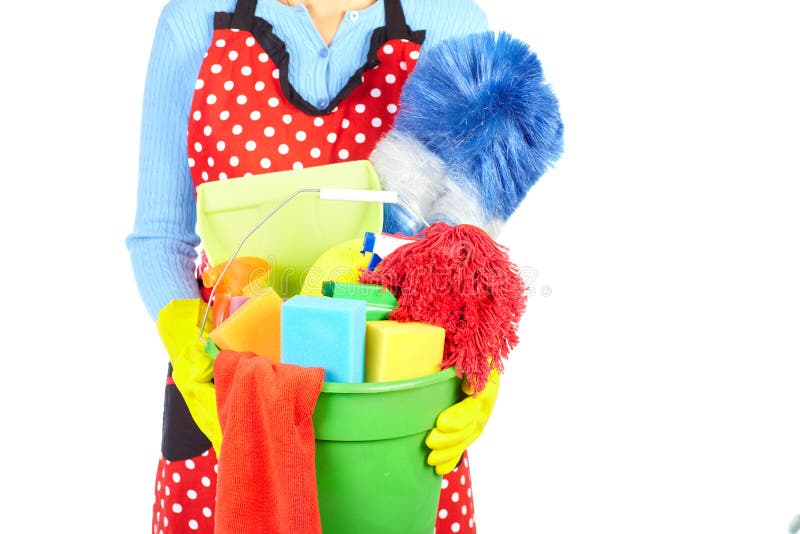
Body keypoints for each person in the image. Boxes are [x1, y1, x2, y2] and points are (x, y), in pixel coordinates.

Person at [126, 0, 494, 532]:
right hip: (226, 402)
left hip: (398, 420)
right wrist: (188, 346)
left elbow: (465, 246)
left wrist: (482, 359)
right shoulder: (197, 19)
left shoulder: (450, 23)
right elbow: (160, 236)